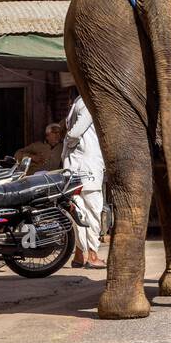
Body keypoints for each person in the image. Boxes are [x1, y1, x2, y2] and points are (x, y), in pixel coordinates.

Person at [57, 96, 106, 268]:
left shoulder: (78, 102)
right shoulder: (87, 101)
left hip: (75, 164)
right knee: (91, 210)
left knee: (78, 211)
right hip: (87, 164)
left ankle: (79, 255)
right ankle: (92, 255)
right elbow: (76, 132)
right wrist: (68, 141)